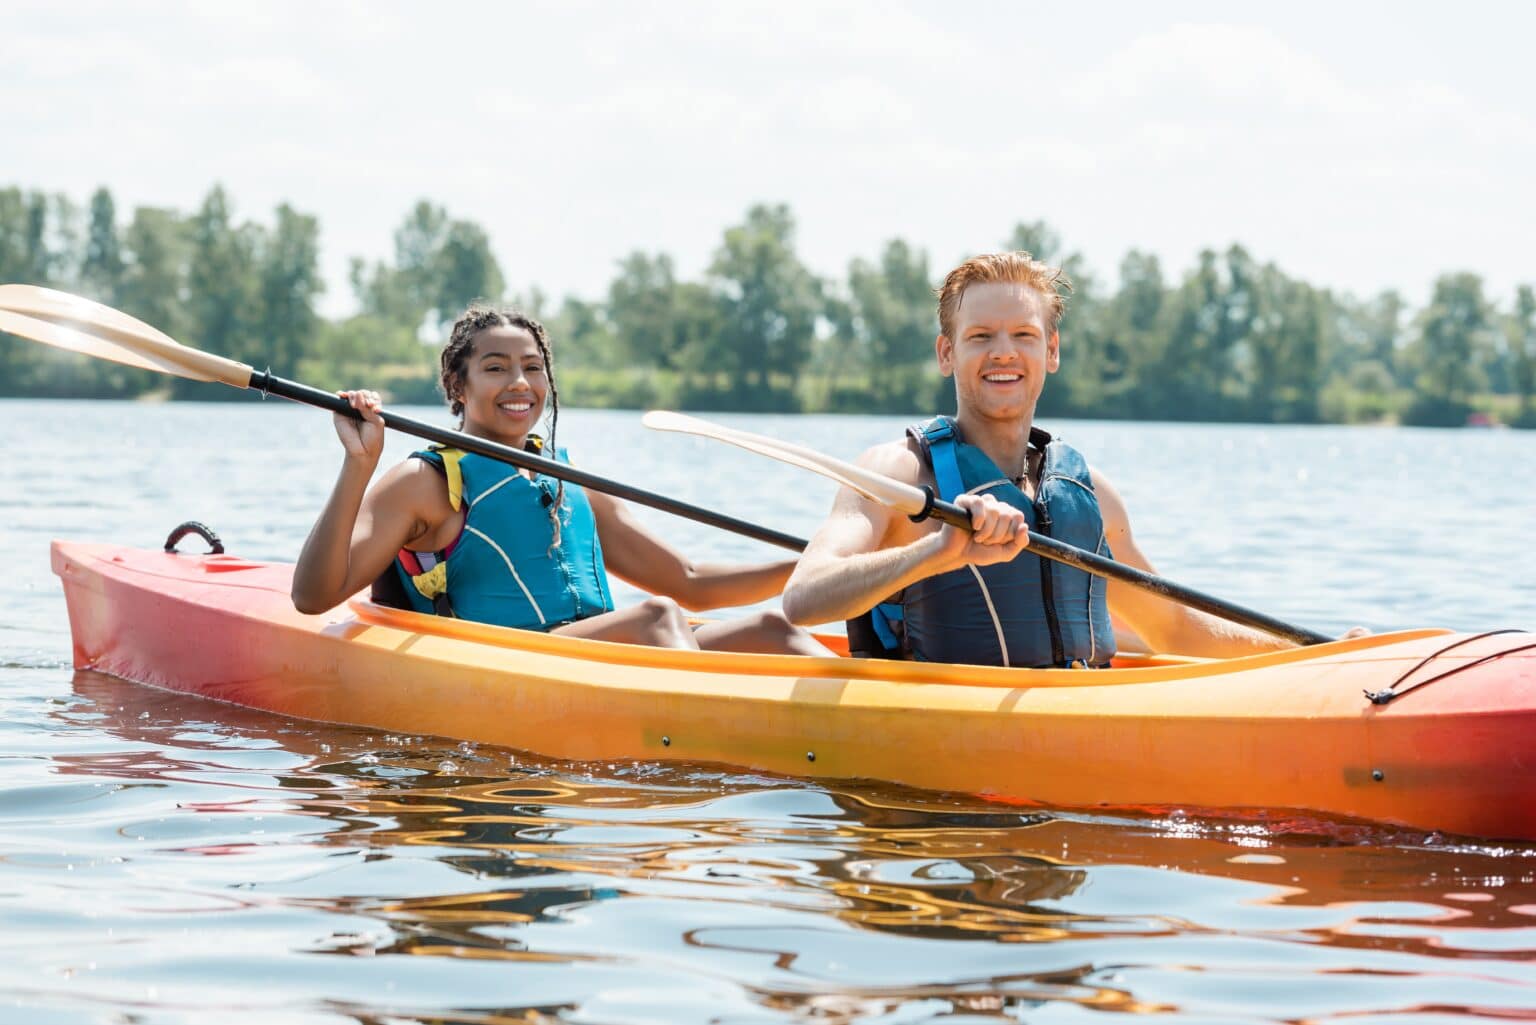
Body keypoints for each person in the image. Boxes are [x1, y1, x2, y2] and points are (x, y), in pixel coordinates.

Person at [781, 251, 1320, 666]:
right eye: (980, 336)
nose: (1003, 351)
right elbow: (803, 599)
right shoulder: (897, 474)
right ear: (947, 353)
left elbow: (1175, 629)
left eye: (1023, 334)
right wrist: (938, 552)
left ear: (1052, 350)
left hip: (1070, 722)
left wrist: (1316, 656)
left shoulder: (1091, 495)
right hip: (937, 731)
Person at [292, 304, 828, 656]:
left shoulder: (571, 479)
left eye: (533, 367)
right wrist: (359, 464)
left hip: (598, 657)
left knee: (772, 630)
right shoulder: (425, 481)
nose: (519, 383)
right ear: (457, 384)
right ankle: (708, 735)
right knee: (657, 619)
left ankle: (864, 722)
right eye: (496, 368)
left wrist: (815, 565)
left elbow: (689, 581)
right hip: (511, 664)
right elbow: (313, 596)